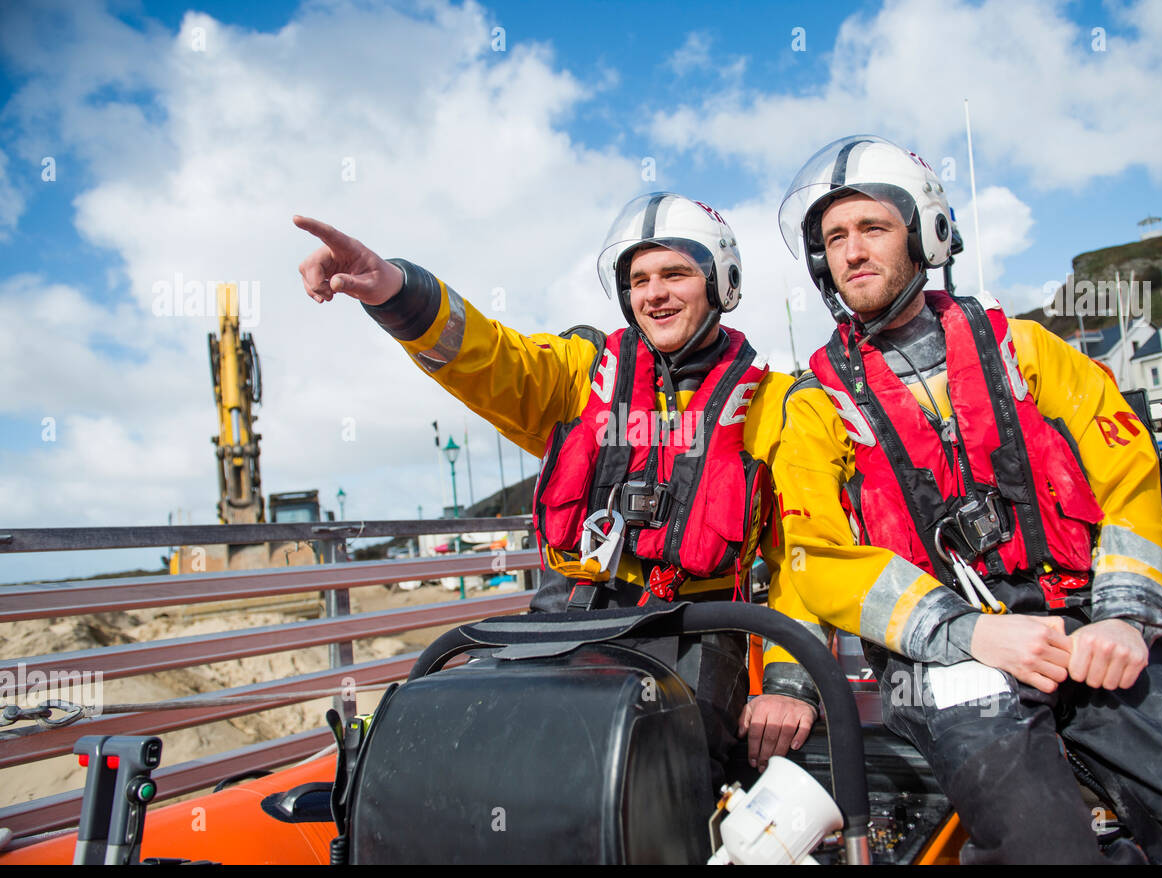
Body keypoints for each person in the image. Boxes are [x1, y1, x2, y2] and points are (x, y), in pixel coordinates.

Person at [772, 134, 1162, 863]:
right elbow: (818, 557)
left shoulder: (1026, 351)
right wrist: (970, 633)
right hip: (946, 663)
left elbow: (1128, 473)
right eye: (834, 237)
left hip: (1088, 631)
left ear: (927, 234)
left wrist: (1122, 619)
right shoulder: (814, 406)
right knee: (1043, 848)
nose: (852, 250)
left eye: (873, 227)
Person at [293, 194, 818, 779]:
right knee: (479, 756)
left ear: (722, 281)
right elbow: (488, 357)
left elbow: (803, 556)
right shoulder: (582, 373)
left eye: (676, 274)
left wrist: (789, 683)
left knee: (659, 783)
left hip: (695, 635)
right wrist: (393, 290)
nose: (654, 293)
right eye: (639, 279)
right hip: (567, 618)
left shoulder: (778, 405)